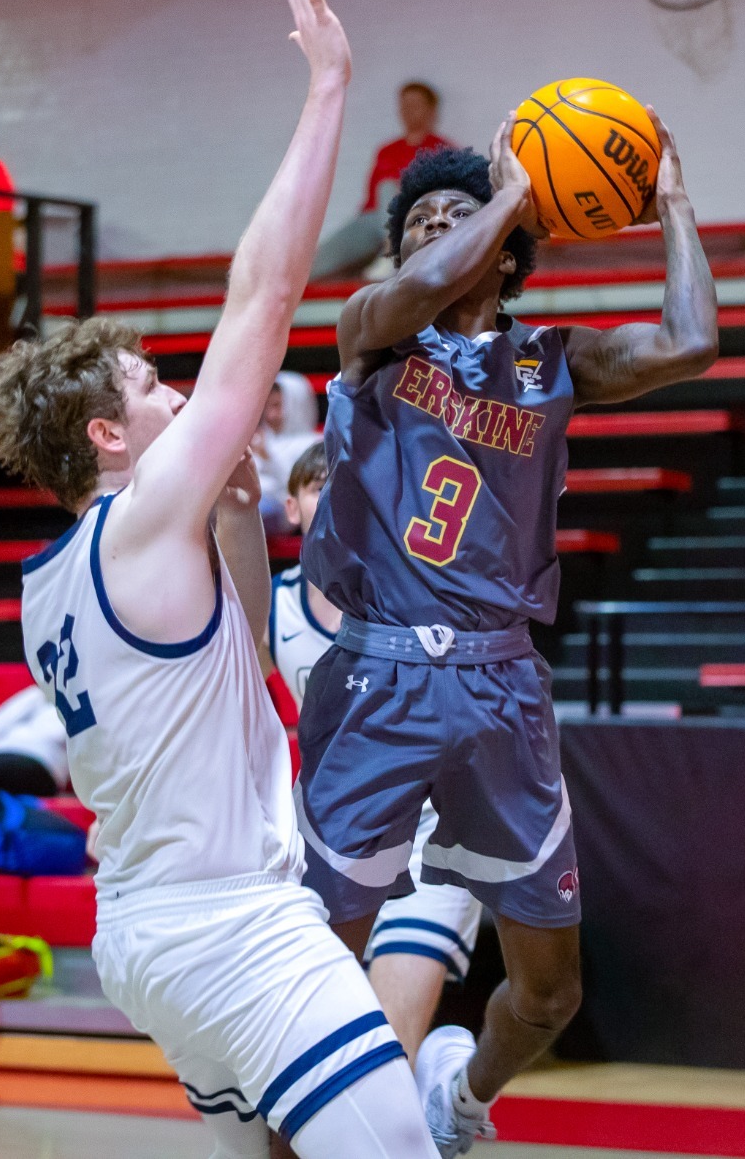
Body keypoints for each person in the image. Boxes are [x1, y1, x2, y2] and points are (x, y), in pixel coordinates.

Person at [0, 0, 437, 1158]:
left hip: (141, 931)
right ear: (104, 435)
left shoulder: (57, 577)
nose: (179, 394)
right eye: (149, 386)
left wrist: (235, 513)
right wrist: (327, 86)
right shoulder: (135, 516)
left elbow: (228, 654)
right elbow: (262, 293)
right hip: (229, 924)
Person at [300, 106, 715, 1155]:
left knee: (546, 993)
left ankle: (463, 1098)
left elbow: (692, 341)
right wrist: (509, 192)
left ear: (512, 256)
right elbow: (419, 284)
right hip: (378, 679)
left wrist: (669, 203)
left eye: (460, 213)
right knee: (311, 977)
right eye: (419, 220)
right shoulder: (372, 331)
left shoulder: (550, 361)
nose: (436, 229)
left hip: (503, 691)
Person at [268, 441, 483, 1066]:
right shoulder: (273, 603)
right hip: (329, 834)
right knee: (319, 1061)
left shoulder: (419, 588)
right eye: (316, 486)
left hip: (429, 828)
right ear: (291, 506)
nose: (333, 494)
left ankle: (433, 1098)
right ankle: (436, 1103)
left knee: (388, 1052)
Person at [313, 81, 453, 281]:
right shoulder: (386, 150)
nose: (407, 111)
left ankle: (392, 252)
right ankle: (381, 257)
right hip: (375, 222)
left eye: (415, 105)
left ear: (431, 110)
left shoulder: (442, 150)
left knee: (389, 187)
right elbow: (371, 202)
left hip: (415, 225)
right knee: (312, 267)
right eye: (404, 105)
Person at [0, 684, 70, 799]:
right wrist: (39, 693)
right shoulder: (38, 698)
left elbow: (56, 734)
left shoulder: (77, 706)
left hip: (38, 764)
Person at [255, 372, 322, 535]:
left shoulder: (314, 444)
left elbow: (300, 486)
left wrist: (267, 458)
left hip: (282, 511)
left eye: (277, 405)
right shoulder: (262, 439)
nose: (270, 415)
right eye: (267, 406)